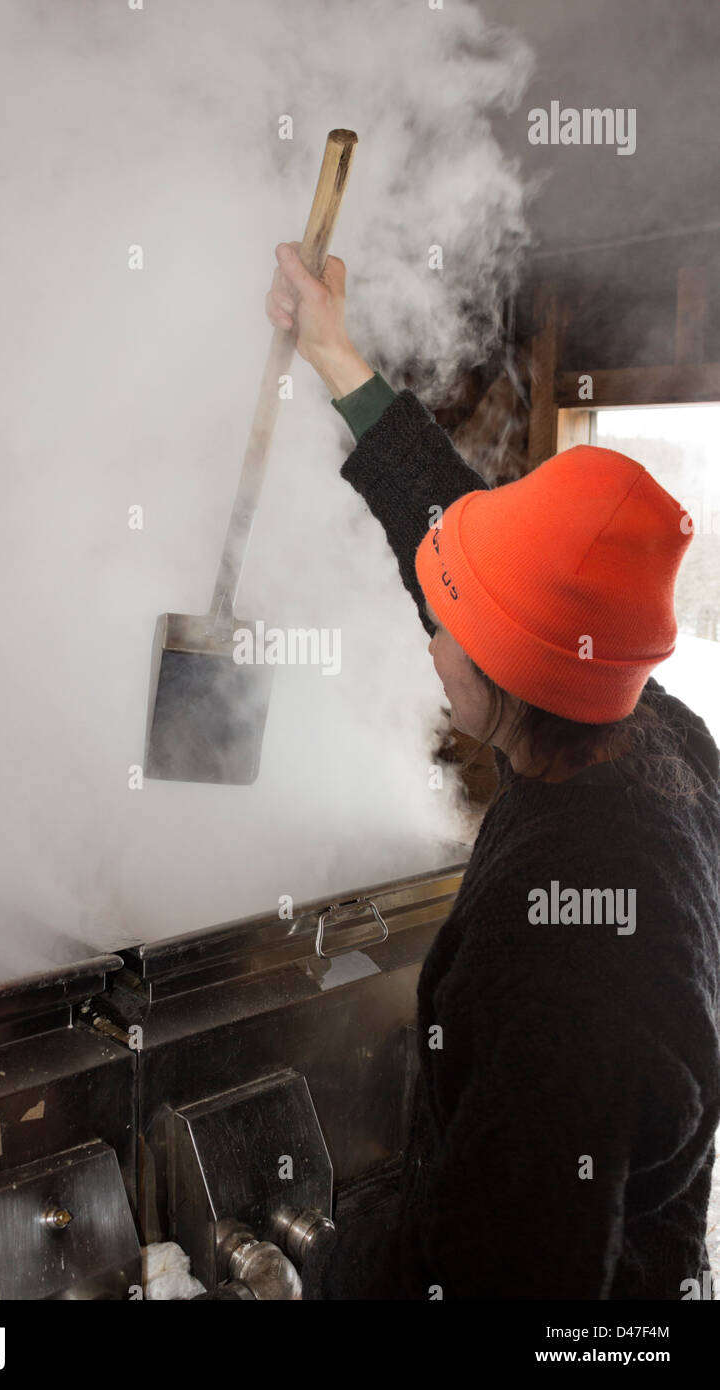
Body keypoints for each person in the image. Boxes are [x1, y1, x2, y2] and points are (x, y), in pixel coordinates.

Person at [266, 241, 720, 1300]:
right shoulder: (642, 722)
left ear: (505, 666)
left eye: (448, 618)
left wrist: (341, 1271)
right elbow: (452, 530)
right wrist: (332, 351)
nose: (429, 632)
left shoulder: (561, 941)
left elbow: (501, 1277)